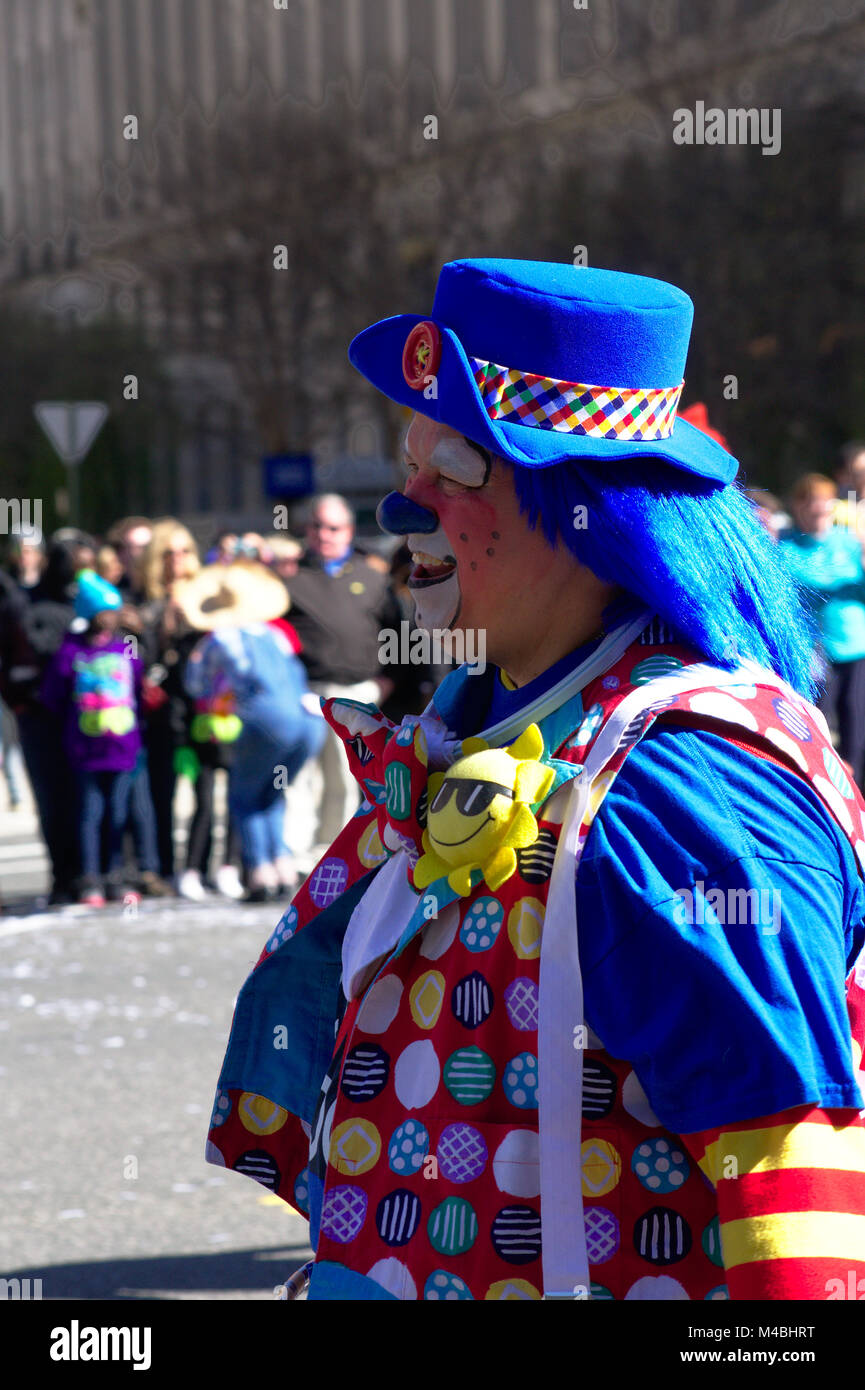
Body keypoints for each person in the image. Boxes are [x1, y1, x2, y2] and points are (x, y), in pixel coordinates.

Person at [206, 259, 865, 1301]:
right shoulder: (480, 717)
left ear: (589, 512)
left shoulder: (680, 788)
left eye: (455, 471)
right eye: (406, 462)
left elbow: (786, 1171)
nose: (401, 507)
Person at [176, 561, 326, 901]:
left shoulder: (222, 637)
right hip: (308, 721)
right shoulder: (273, 633)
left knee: (244, 798)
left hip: (266, 719)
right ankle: (283, 866)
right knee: (271, 793)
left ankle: (260, 872)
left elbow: (195, 684)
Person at [285, 493, 402, 849]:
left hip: (360, 693)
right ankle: (299, 855)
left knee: (347, 776)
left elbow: (398, 632)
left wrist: (390, 681)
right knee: (302, 778)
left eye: (333, 527)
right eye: (317, 526)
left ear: (348, 531)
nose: (324, 534)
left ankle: (334, 852)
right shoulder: (289, 580)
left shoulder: (374, 580)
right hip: (306, 694)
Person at [40, 570, 144, 907]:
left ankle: (115, 874)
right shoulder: (71, 651)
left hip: (123, 748)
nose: (112, 618)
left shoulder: (126, 647)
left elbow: (140, 684)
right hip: (86, 750)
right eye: (106, 611)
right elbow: (53, 693)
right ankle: (90, 878)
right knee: (89, 814)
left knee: (119, 813)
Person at [779, 473, 865, 785]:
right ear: (799, 506)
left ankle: (857, 789)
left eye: (826, 503)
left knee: (857, 721)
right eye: (813, 503)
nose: (821, 510)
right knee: (821, 719)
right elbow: (807, 582)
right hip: (815, 647)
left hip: (854, 643)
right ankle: (825, 782)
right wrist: (844, 581)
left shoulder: (849, 541)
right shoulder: (788, 547)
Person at [138, 519, 202, 884]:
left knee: (204, 790)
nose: (177, 559)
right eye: (168, 552)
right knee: (161, 790)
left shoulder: (206, 594)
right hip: (163, 709)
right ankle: (162, 866)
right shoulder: (146, 603)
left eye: (184, 551)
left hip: (203, 707)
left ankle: (199, 867)